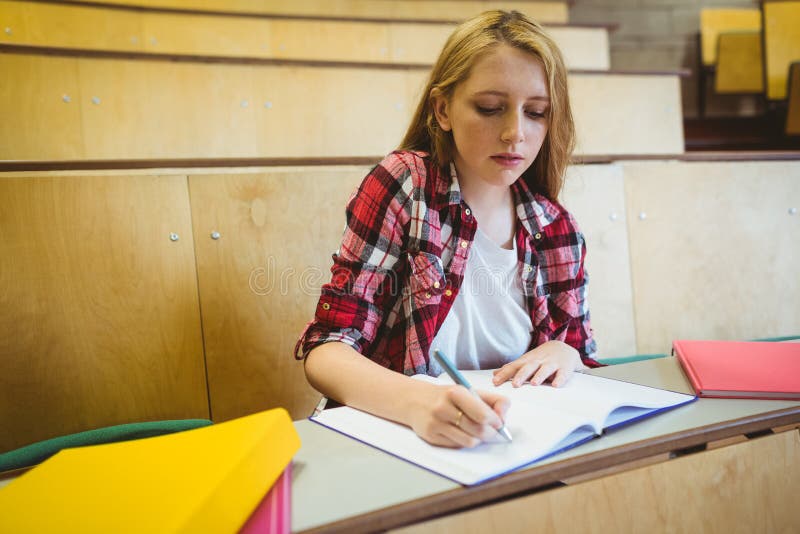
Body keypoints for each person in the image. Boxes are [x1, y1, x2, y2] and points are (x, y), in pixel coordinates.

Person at [295, 10, 600, 449]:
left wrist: (567, 353)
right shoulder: (407, 185)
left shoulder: (556, 228)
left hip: (504, 446)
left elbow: (585, 359)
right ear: (443, 109)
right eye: (490, 108)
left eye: (536, 113)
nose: (515, 133)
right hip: (393, 438)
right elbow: (326, 350)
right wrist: (416, 402)